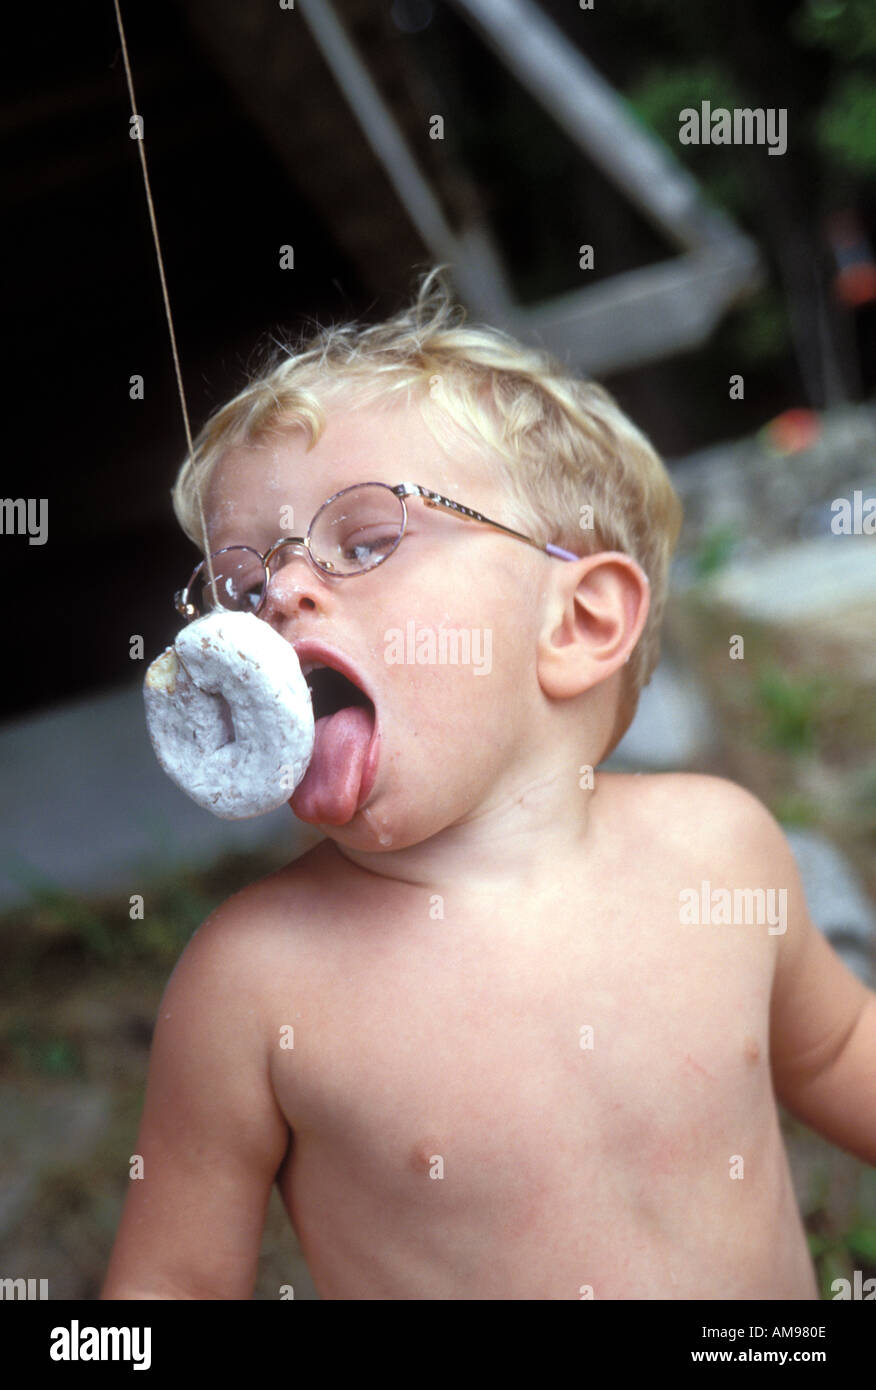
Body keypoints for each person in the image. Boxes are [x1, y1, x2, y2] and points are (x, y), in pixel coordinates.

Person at [101, 267, 875, 1300]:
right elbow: (172, 1286)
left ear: (578, 623)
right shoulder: (250, 982)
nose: (278, 594)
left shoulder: (718, 850)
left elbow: (835, 1049)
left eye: (366, 540)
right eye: (241, 584)